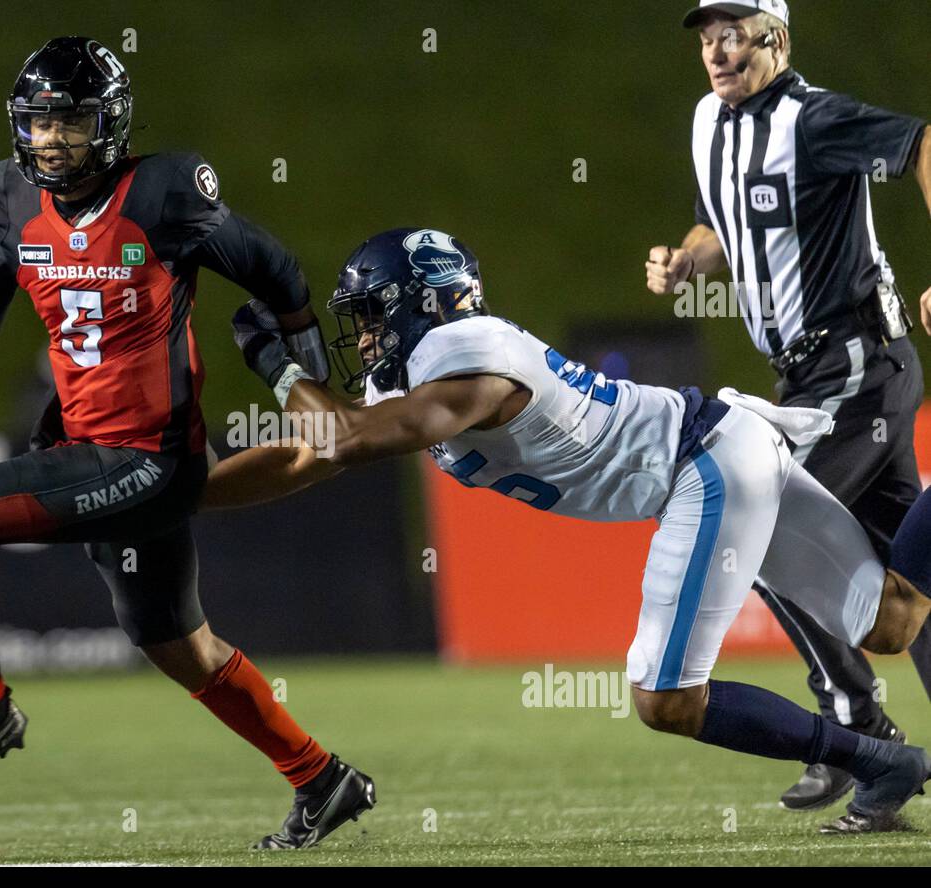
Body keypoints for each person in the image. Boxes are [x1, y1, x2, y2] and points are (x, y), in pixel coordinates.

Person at [0, 37, 375, 850]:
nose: (51, 140)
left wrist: (309, 365)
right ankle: (322, 780)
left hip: (148, 460)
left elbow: (276, 270)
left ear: (108, 124)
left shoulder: (162, 193)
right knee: (177, 645)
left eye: (70, 122)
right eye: (39, 124)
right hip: (91, 449)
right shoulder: (12, 199)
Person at [214, 226, 931, 834]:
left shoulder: (470, 355)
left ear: (423, 304)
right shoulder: (414, 374)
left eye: (373, 315)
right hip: (724, 441)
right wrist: (195, 495)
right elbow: (310, 455)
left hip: (702, 467)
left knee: (666, 697)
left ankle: (875, 762)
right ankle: (882, 760)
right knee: (895, 620)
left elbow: (337, 439)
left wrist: (275, 366)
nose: (365, 335)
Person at [644, 0, 931, 811]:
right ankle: (866, 730)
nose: (716, 50)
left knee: (756, 520)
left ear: (776, 37)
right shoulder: (709, 122)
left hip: (856, 367)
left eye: (733, 32)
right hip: (810, 382)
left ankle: (857, 724)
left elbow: (920, 142)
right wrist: (686, 262)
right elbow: (721, 225)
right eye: (706, 37)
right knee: (907, 564)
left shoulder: (812, 118)